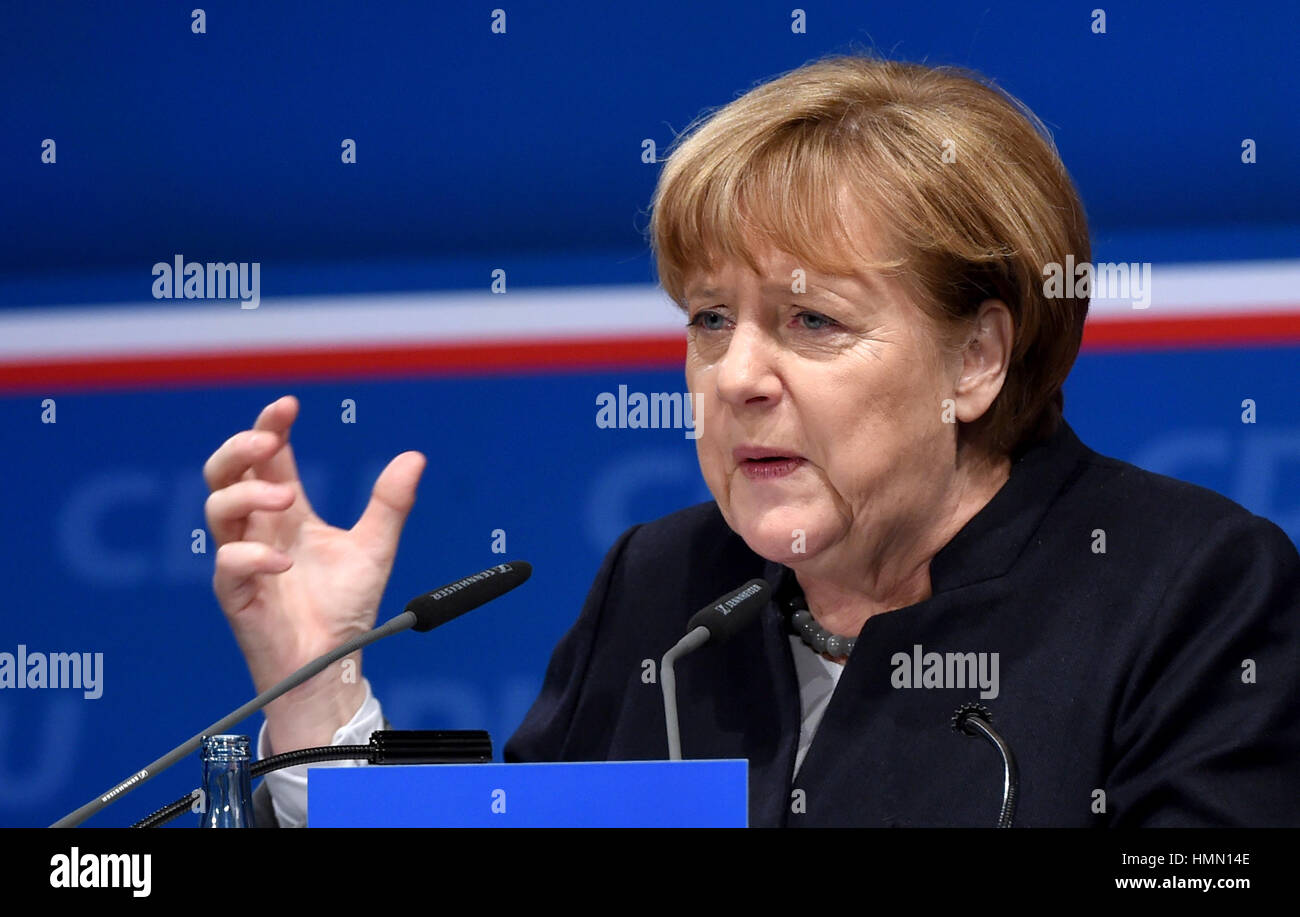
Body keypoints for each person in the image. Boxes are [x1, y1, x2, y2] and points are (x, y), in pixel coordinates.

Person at [204, 54, 1300, 827]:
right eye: (709, 319)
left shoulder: (1186, 585)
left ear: (973, 361)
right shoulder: (665, 581)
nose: (733, 376)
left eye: (810, 321)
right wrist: (316, 689)